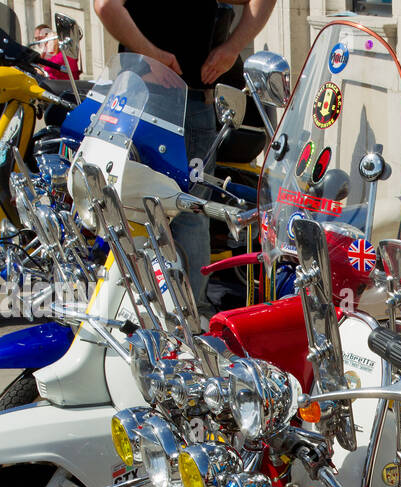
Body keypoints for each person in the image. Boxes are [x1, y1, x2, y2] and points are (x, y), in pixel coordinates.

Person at [93, 0, 275, 320]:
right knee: (188, 210)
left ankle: (143, 312)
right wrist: (230, 49)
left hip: (145, 94)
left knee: (126, 206)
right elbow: (105, 5)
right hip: (167, 97)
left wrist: (230, 49)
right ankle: (191, 319)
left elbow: (105, 6)